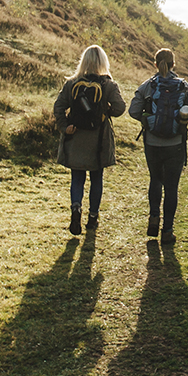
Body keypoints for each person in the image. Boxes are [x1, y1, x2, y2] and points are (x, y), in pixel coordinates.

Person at [53, 44, 127, 235]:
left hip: (75, 138)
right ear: (103, 62)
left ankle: (76, 208)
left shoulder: (72, 84)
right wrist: (104, 110)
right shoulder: (108, 85)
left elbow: (58, 107)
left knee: (77, 178)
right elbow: (120, 108)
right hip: (98, 140)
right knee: (96, 178)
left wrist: (64, 127)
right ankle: (93, 218)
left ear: (83, 61)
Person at [128, 48, 188, 246]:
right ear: (174, 64)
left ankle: (153, 218)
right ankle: (167, 231)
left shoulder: (148, 86)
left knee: (155, 181)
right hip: (175, 144)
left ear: (155, 63)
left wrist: (147, 119)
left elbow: (133, 111)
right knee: (171, 187)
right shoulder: (183, 86)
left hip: (152, 143)